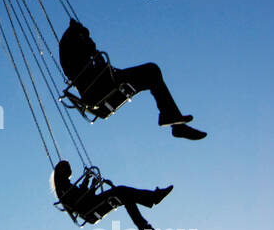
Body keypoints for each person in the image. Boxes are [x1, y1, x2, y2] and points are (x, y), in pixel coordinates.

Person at [58, 19, 206, 140]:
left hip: (99, 87)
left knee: (151, 73)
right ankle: (172, 119)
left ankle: (175, 122)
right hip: (102, 87)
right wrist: (91, 46)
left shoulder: (69, 52)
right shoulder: (75, 47)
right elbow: (92, 52)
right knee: (151, 70)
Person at [53, 160, 173, 230]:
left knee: (126, 196)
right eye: (66, 167)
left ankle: (144, 227)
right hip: (89, 209)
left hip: (90, 207)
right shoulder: (63, 186)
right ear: (60, 170)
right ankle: (153, 198)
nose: (70, 169)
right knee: (121, 191)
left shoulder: (65, 185)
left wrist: (91, 184)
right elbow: (81, 199)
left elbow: (82, 196)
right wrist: (88, 183)